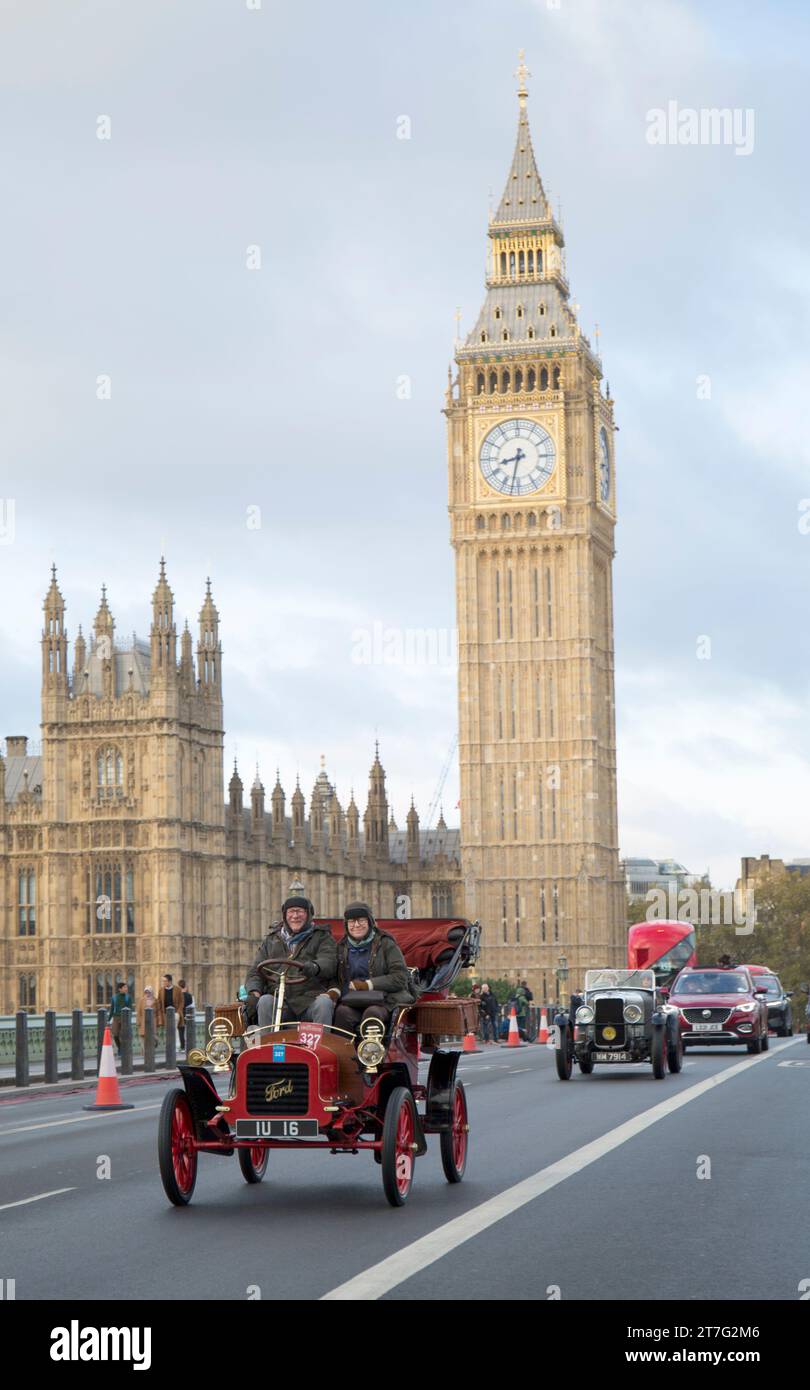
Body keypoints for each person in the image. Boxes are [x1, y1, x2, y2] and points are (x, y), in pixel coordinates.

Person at [244, 895, 336, 1028]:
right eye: (291, 911)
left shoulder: (321, 937)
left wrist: (315, 966)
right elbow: (255, 971)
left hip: (309, 1001)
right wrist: (254, 993)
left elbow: (329, 961)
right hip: (281, 1002)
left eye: (300, 911)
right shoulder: (271, 940)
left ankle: (320, 1046)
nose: (295, 916)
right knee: (265, 1001)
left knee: (324, 1003)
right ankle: (268, 1045)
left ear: (309, 914)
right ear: (285, 915)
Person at [328, 902, 414, 1038]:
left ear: (370, 922)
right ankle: (344, 1056)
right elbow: (336, 978)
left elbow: (400, 977)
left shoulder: (386, 944)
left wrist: (367, 985)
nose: (356, 925)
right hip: (352, 1000)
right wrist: (333, 991)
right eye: (351, 921)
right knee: (341, 1013)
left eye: (361, 920)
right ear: (346, 924)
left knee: (372, 1013)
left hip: (384, 1000)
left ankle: (372, 1055)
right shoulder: (341, 947)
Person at [108, 981, 131, 1054]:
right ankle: (120, 1047)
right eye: (124, 987)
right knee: (115, 1034)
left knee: (124, 1035)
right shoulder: (114, 997)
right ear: (120, 989)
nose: (126, 989)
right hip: (116, 1017)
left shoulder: (128, 997)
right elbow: (112, 1009)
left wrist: (128, 1019)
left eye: (126, 987)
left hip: (124, 1018)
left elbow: (130, 1009)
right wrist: (108, 1020)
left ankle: (125, 1049)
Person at [177, 978, 194, 1053]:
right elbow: (191, 1005)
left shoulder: (178, 996)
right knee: (188, 1032)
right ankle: (189, 1046)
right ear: (185, 986)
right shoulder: (189, 996)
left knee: (181, 1031)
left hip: (181, 1014)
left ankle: (182, 1047)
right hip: (188, 1015)